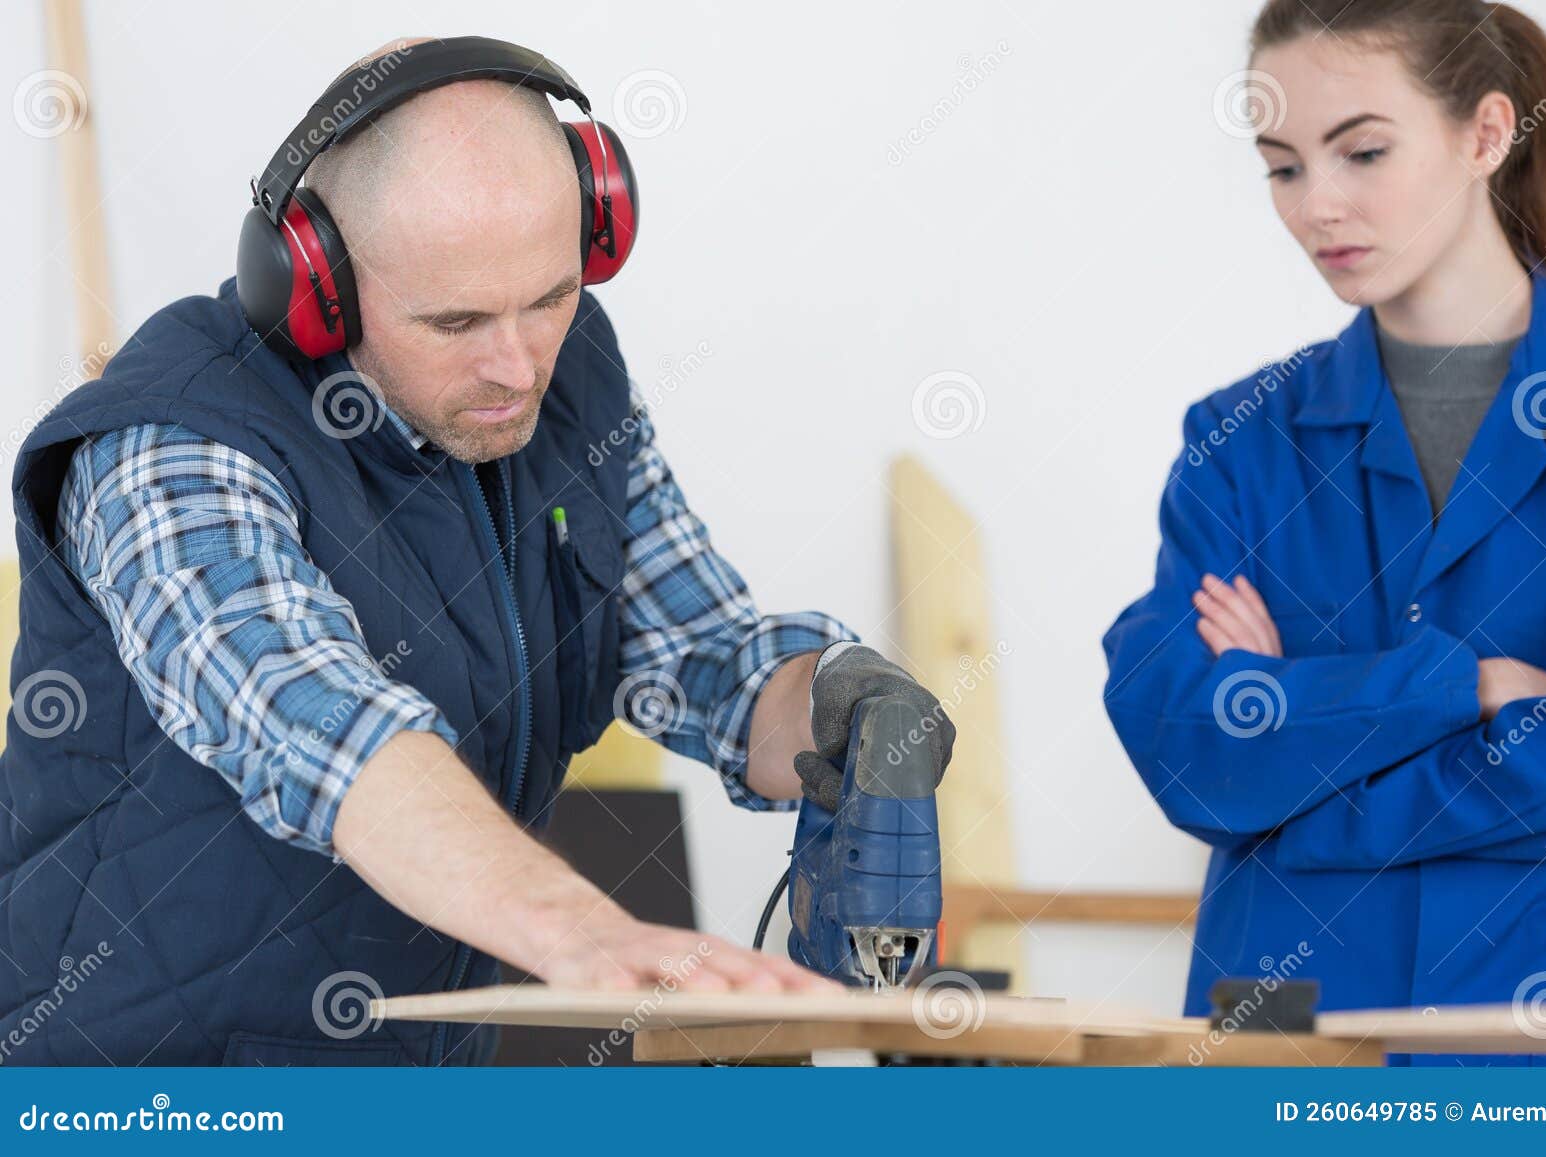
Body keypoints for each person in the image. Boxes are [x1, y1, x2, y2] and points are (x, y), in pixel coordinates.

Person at [0, 37, 955, 1065]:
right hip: (136, 1088)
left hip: (414, 1080)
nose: (517, 364)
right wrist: (577, 927)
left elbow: (699, 649)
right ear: (315, 284)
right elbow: (316, 725)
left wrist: (833, 700)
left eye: (549, 297)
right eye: (454, 320)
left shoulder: (568, 389)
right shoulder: (170, 445)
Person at [1103, 0, 1546, 1065]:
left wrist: (1299, 799)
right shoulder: (1238, 442)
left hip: (1542, 1041)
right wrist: (1456, 687)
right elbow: (1187, 747)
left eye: (1362, 151)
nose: (1317, 205)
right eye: (1282, 167)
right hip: (1278, 1039)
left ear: (1484, 134)